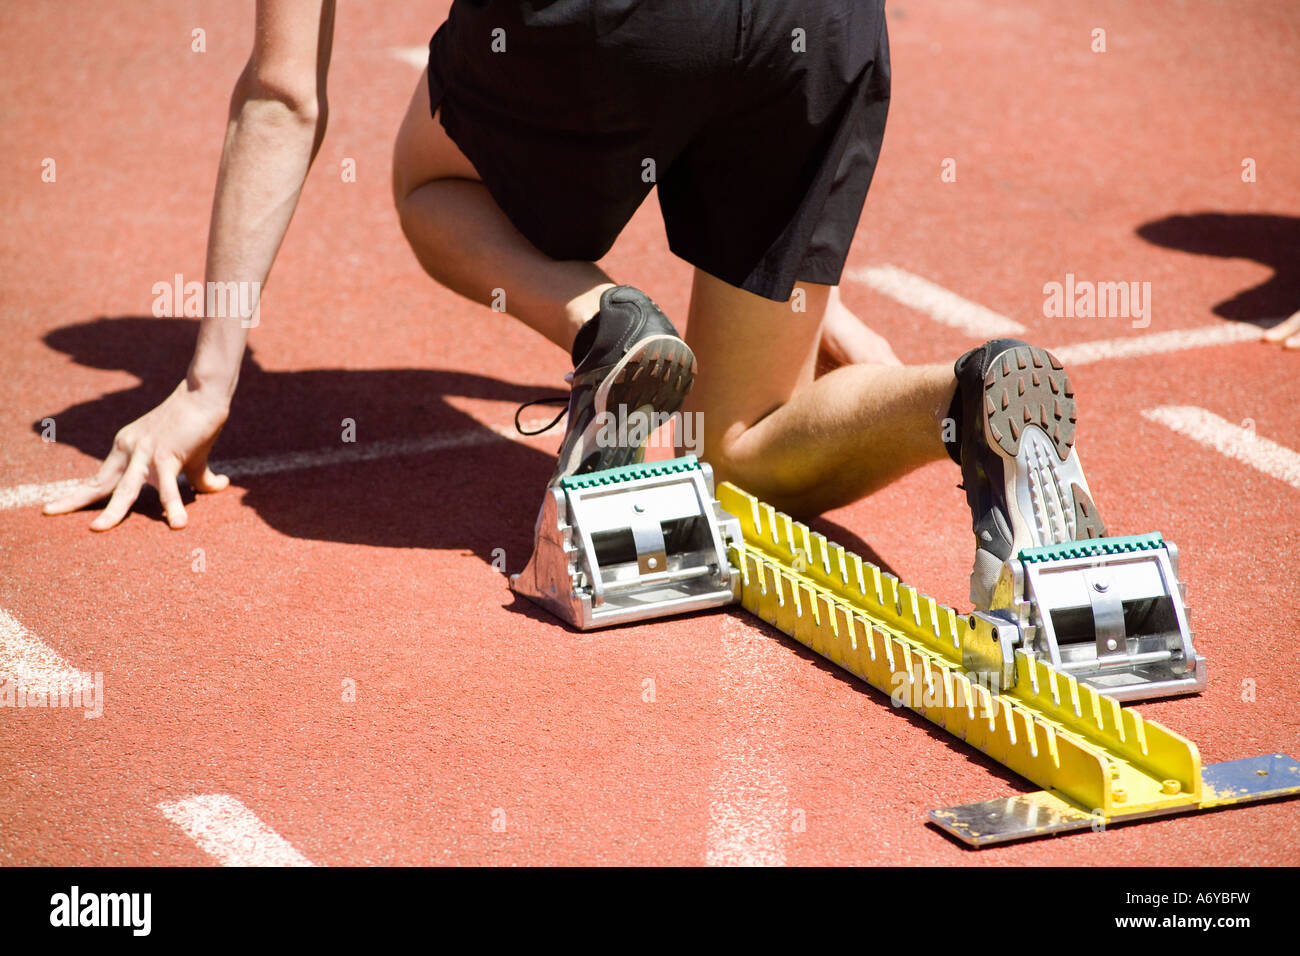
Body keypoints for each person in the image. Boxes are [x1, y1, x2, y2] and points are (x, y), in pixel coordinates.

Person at [42, 0, 1109, 610]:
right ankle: (964, 399)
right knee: (731, 448)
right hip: (821, 26)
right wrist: (800, 293)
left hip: (606, 25)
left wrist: (205, 378)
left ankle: (602, 321)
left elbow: (284, 94)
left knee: (430, 183)